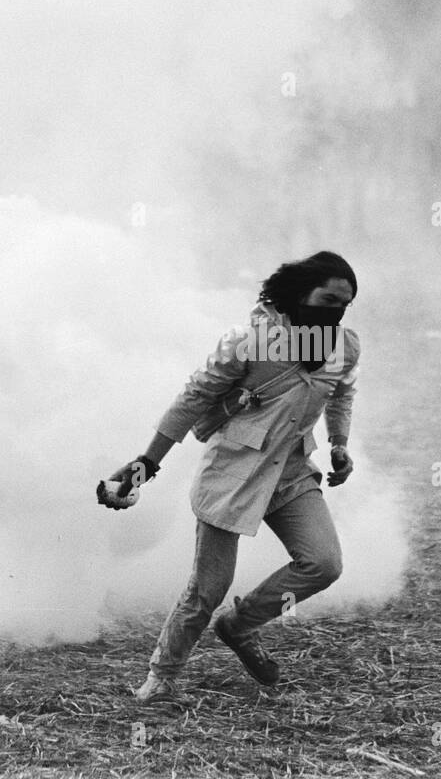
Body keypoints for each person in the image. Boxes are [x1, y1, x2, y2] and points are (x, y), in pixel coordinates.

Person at [102, 251, 361, 705]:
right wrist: (146, 463)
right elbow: (192, 398)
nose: (335, 312)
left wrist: (339, 443)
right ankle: (161, 676)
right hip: (233, 475)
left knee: (323, 563)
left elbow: (341, 392)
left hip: (292, 472)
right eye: (327, 299)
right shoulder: (248, 343)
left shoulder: (344, 346)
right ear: (300, 294)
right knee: (207, 589)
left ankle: (239, 625)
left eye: (344, 304)